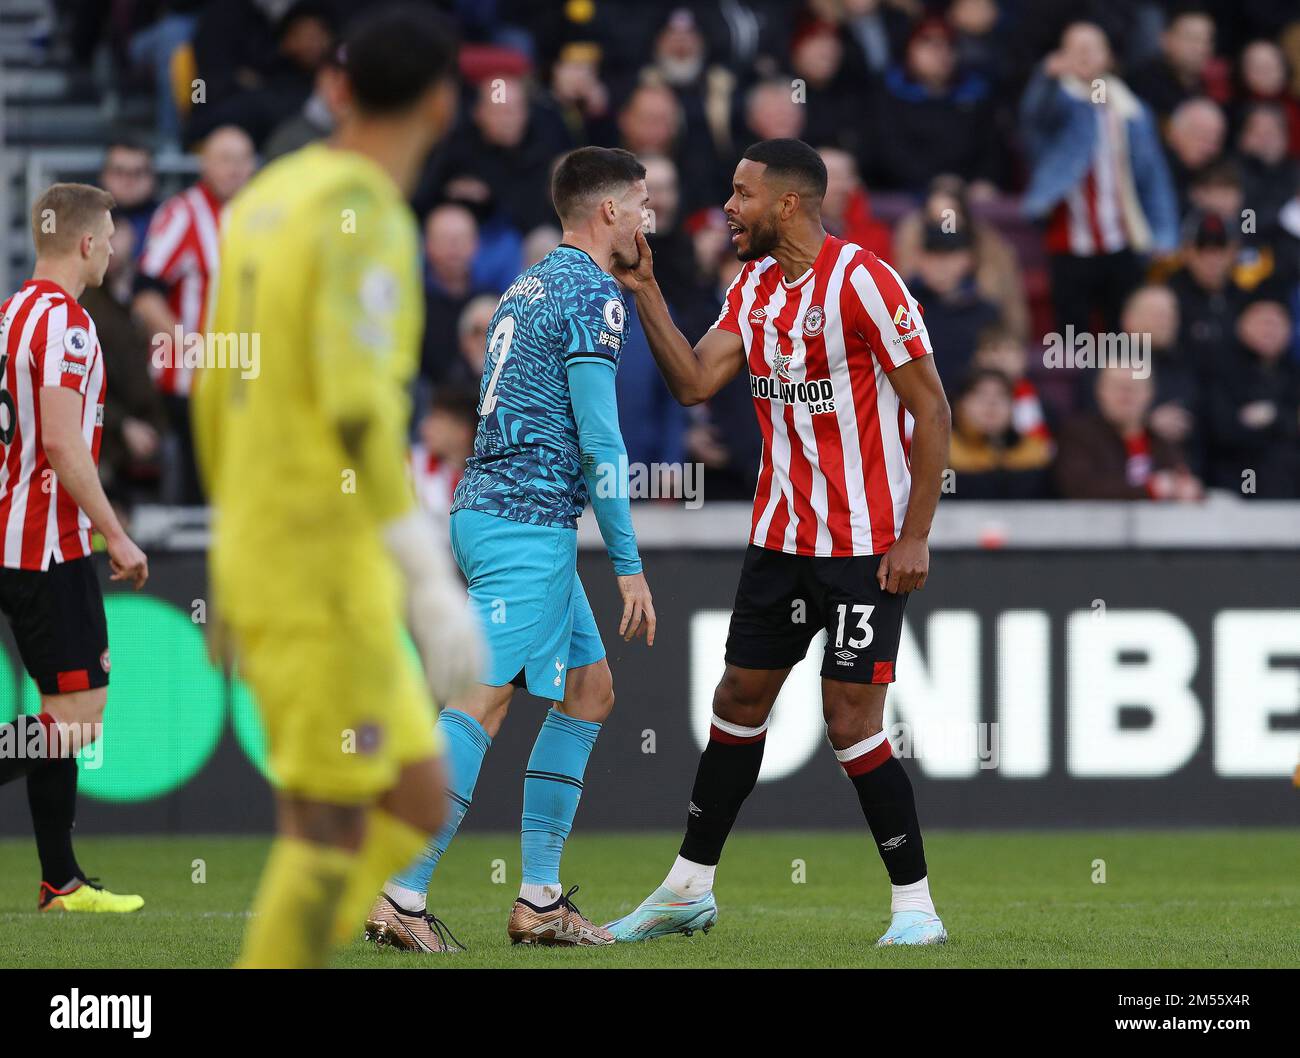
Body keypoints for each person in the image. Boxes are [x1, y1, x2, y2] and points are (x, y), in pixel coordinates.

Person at [192, 7, 481, 969]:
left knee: (404, 799)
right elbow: (359, 407)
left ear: (340, 87)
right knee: (335, 823)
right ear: (442, 104)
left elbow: (212, 381)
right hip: (320, 560)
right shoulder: (368, 216)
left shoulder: (268, 198)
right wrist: (428, 577)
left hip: (278, 544)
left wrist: (231, 541)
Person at [609, 138, 952, 947]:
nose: (727, 207)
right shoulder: (755, 286)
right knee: (736, 701)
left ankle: (916, 910)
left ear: (789, 204)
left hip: (866, 544)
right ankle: (689, 888)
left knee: (850, 719)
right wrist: (648, 290)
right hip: (780, 539)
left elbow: (932, 411)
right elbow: (695, 382)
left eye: (741, 194)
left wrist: (916, 537)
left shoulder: (865, 281)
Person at [363, 147, 654, 951]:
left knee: (590, 691)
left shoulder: (528, 282)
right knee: (483, 701)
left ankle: (540, 900)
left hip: (496, 513)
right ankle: (401, 894)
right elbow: (602, 440)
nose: (648, 219)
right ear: (607, 214)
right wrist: (629, 565)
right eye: (641, 203)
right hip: (526, 526)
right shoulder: (593, 293)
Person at [0, 182, 150, 913]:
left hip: (9, 535)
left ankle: (58, 881)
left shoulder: (6, 316)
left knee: (55, 710)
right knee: (75, 720)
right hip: (47, 547)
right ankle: (58, 879)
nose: (117, 247)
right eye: (113, 235)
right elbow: (60, 441)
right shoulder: (67, 324)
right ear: (87, 242)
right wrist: (115, 533)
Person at [1020, 22, 1178, 333]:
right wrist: (1045, 78)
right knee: (1074, 343)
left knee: (1124, 336)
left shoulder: (1131, 109)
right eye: (1075, 48)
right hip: (1068, 241)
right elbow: (1033, 118)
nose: (1084, 55)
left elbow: (1152, 175)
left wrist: (1164, 232)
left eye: (1092, 48)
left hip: (1123, 240)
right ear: (1060, 55)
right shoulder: (1056, 101)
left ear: (1108, 57)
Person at [133, 124, 255, 504]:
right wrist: (193, 348)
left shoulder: (263, 214)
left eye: (241, 160)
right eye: (224, 159)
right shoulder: (183, 214)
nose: (233, 169)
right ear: (204, 164)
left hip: (248, 378)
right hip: (191, 383)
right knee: (198, 493)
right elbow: (145, 295)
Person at [1054, 366, 1202, 500]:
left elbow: (1181, 477)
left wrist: (1186, 489)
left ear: (1149, 393)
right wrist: (1151, 489)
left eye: (1134, 387)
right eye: (1117, 387)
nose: (1125, 395)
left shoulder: (1160, 439)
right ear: (1100, 391)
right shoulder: (1079, 434)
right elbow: (1080, 487)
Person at [946, 370, 1052, 500]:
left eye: (1001, 395)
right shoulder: (941, 456)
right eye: (980, 394)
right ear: (959, 405)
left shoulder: (1035, 455)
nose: (992, 403)